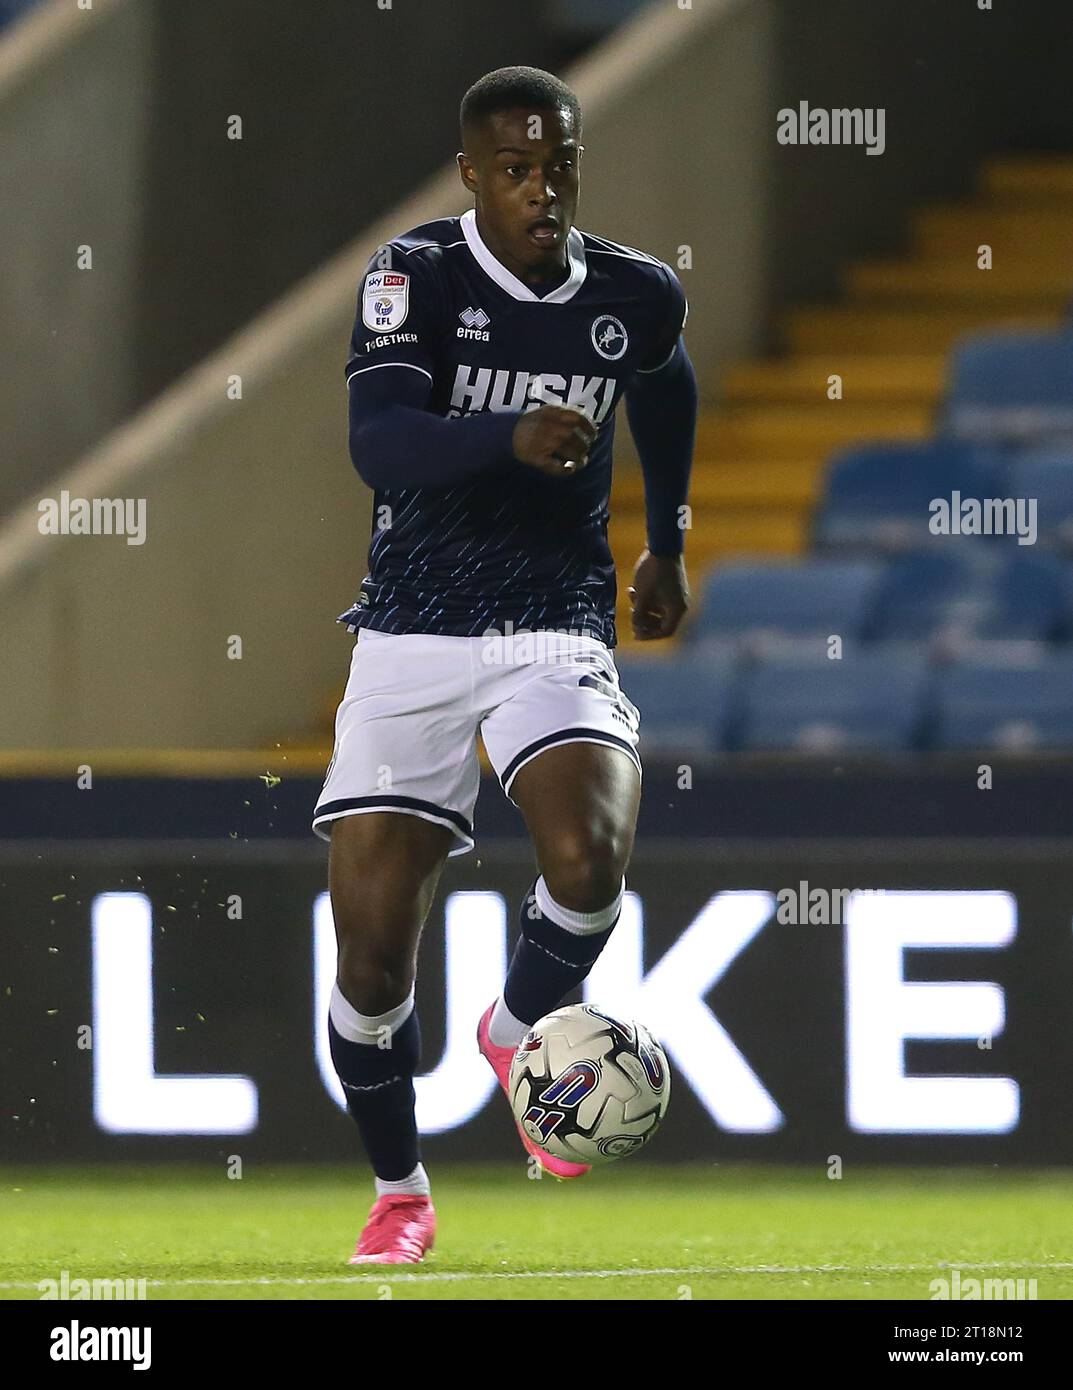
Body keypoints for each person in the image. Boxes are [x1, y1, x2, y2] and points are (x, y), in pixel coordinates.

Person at [313, 65, 696, 1263]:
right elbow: (378, 443)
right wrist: (505, 433)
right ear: (472, 174)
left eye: (558, 167)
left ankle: (518, 1019)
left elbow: (666, 383)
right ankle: (400, 1189)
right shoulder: (412, 278)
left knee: (589, 855)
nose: (540, 191)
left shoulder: (632, 293)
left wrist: (666, 541)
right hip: (410, 633)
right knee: (373, 957)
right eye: (516, 171)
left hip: (552, 623)